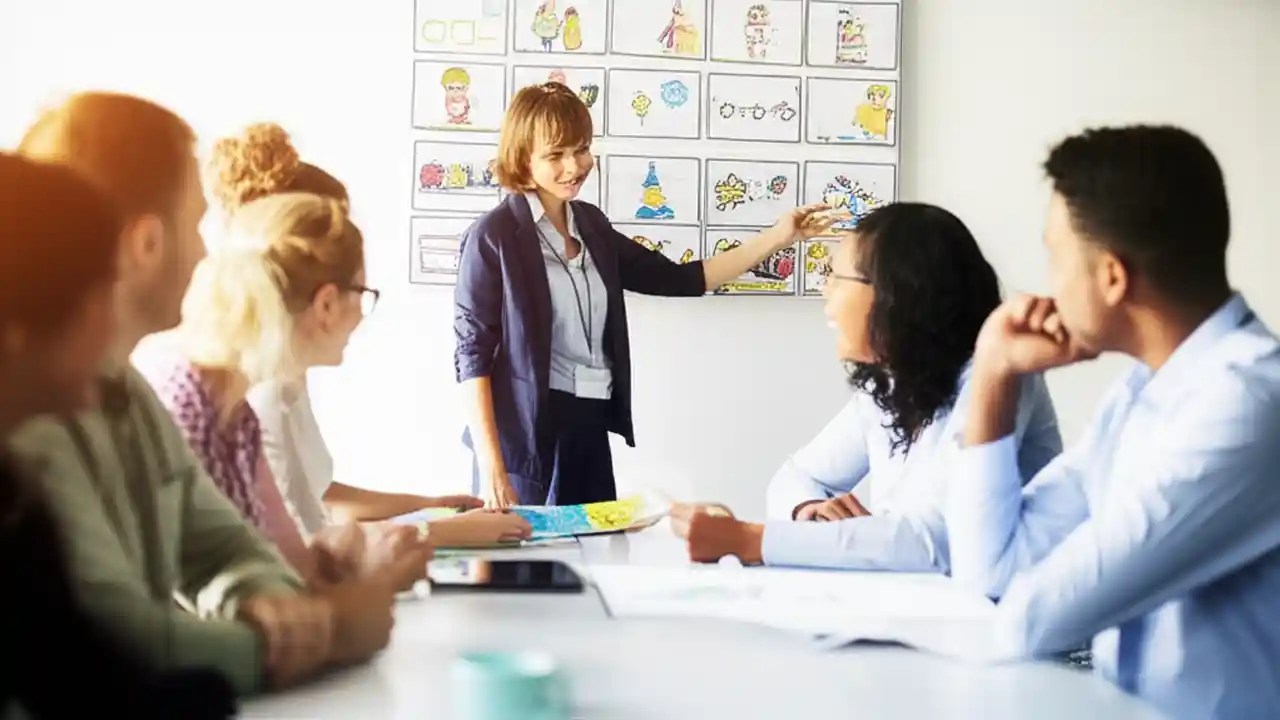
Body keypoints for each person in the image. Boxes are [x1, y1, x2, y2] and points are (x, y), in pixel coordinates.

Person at [10, 91, 428, 695]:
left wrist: (271, 602)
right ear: (146, 244)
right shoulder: (44, 418)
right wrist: (330, 629)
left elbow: (223, 546)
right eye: (197, 223)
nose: (210, 252)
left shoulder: (128, 389)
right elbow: (121, 642)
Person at [945, 125, 1280, 718]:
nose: (1046, 284)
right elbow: (990, 575)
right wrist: (995, 372)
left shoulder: (1249, 406)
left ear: (1112, 277)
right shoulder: (1142, 391)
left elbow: (1033, 620)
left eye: (1055, 256)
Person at [457, 82, 844, 508]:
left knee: (594, 563)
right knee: (524, 570)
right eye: (555, 155)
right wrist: (492, 465)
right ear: (523, 159)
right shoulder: (494, 236)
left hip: (589, 429)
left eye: (582, 149)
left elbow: (680, 279)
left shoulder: (592, 227)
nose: (574, 166)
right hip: (523, 444)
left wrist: (779, 236)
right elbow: (473, 355)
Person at [669, 203, 1061, 569]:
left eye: (836, 278)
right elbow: (798, 478)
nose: (826, 293)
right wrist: (811, 513)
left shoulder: (997, 374)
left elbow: (942, 539)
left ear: (896, 292)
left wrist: (753, 540)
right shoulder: (891, 380)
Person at [205, 123, 523, 545]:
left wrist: (430, 505)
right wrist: (442, 532)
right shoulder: (257, 398)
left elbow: (319, 502)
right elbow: (300, 553)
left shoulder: (284, 379)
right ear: (324, 299)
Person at [0, 153, 236, 718]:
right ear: (18, 336)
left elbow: (88, 678)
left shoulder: (13, 494)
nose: (112, 327)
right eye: (102, 295)